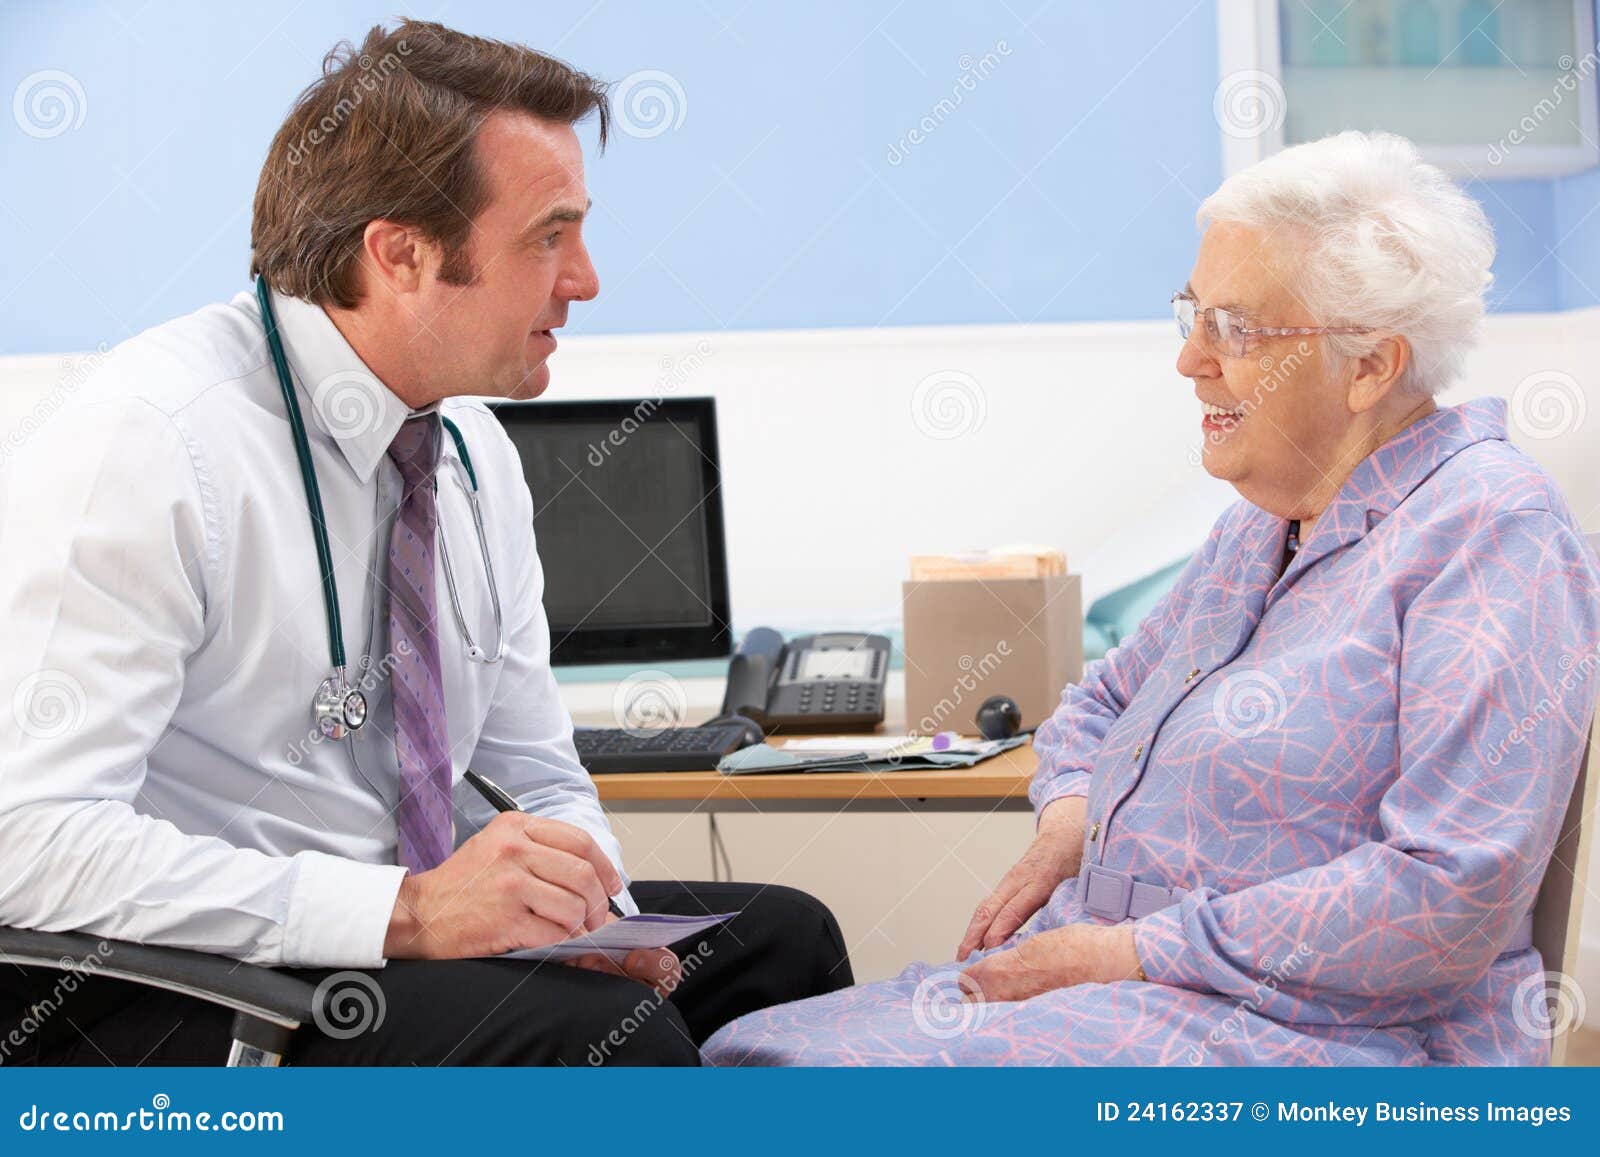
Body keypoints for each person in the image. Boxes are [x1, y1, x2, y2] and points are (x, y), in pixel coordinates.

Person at [0, 20, 849, 1066]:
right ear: (400, 252)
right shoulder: (152, 439)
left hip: (392, 934)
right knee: (593, 1045)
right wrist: (402, 911)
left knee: (784, 943)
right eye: (549, 235)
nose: (583, 279)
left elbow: (537, 773)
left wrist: (598, 911)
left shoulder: (469, 449)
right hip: (169, 981)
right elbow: (24, 842)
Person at [703, 131, 1600, 1066]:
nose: (1191, 361)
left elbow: (1449, 892)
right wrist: (1070, 819)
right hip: (1136, 995)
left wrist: (1127, 950)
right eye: (1194, 315)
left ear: (1370, 365)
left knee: (796, 1087)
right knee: (743, 1049)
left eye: (1238, 329)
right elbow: (1099, 701)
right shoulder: (1261, 527)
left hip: (1331, 1037)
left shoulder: (1493, 531)